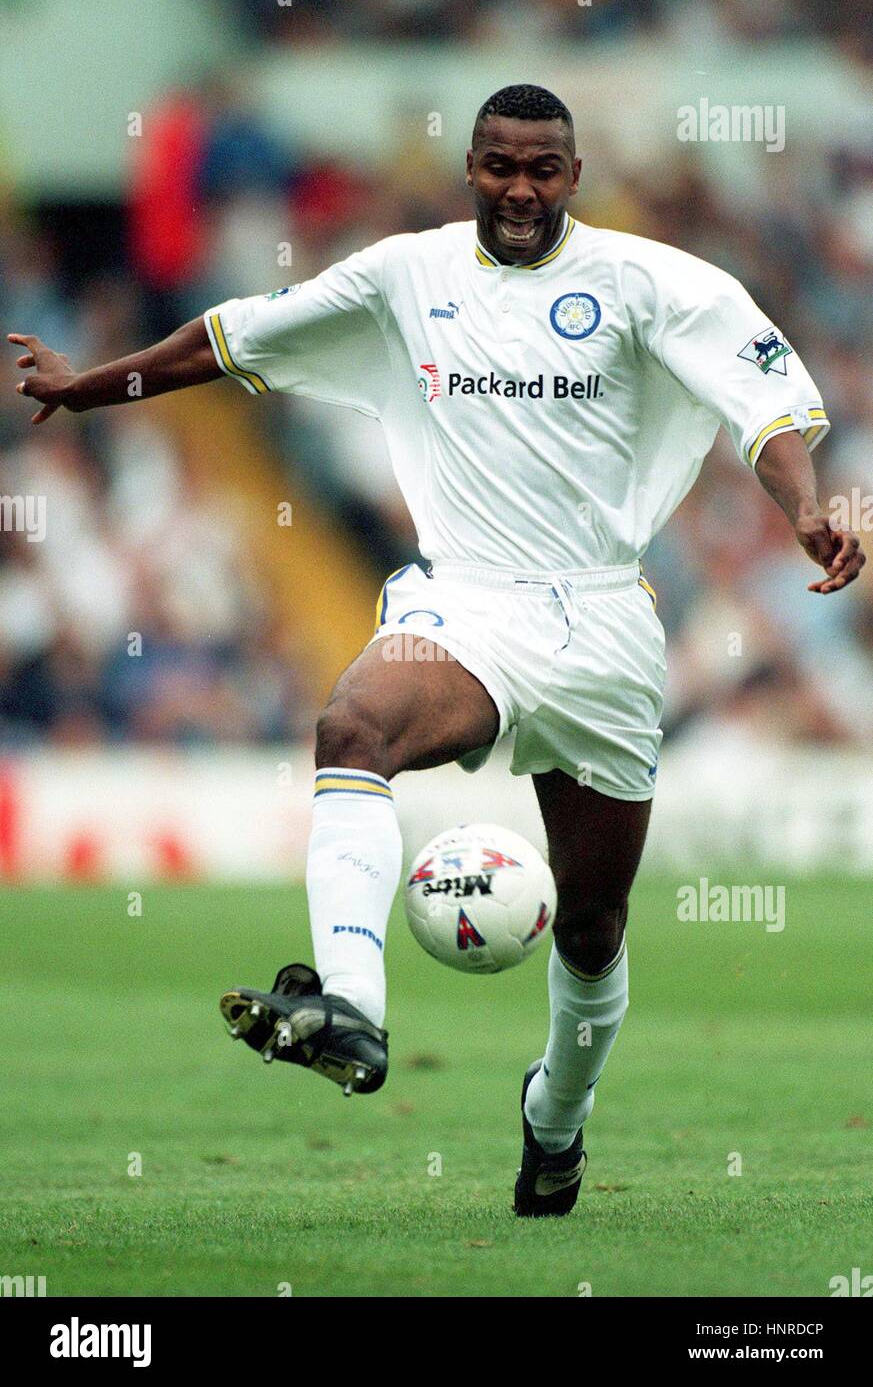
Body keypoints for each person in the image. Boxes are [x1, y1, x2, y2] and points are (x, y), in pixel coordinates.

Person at [8, 85, 864, 1218]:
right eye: (500, 165)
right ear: (469, 165)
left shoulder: (654, 284)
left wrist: (804, 509)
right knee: (352, 727)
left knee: (597, 928)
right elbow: (234, 336)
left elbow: (769, 407)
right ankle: (350, 1005)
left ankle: (554, 1116)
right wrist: (92, 385)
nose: (520, 188)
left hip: (604, 624)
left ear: (573, 173)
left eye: (543, 169)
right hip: (464, 600)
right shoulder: (404, 277)